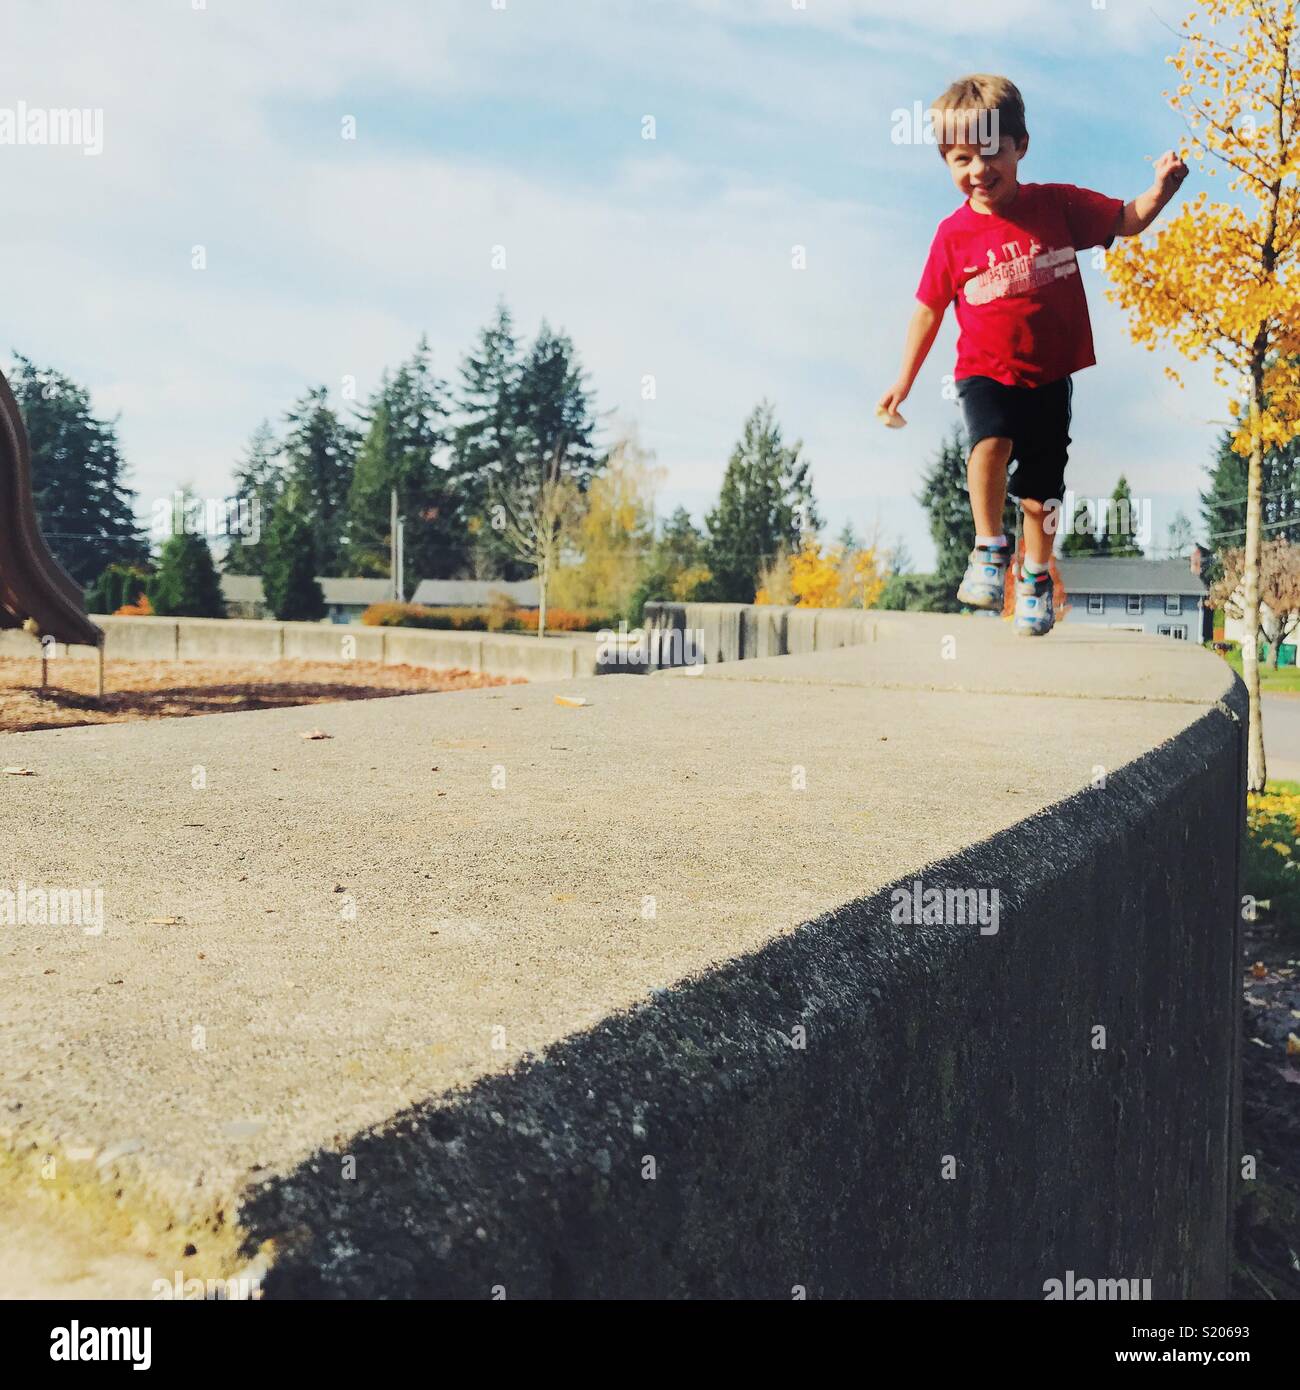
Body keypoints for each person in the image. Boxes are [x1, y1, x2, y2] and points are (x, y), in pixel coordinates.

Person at [877, 74, 1187, 634]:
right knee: (988, 442)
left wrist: (1159, 191)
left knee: (1042, 490)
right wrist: (904, 380)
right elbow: (927, 309)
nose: (978, 170)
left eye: (991, 151)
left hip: (1049, 376)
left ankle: (1037, 575)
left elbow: (1123, 219)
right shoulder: (952, 236)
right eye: (961, 158)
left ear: (1020, 145)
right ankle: (991, 548)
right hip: (985, 370)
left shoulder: (1057, 205)